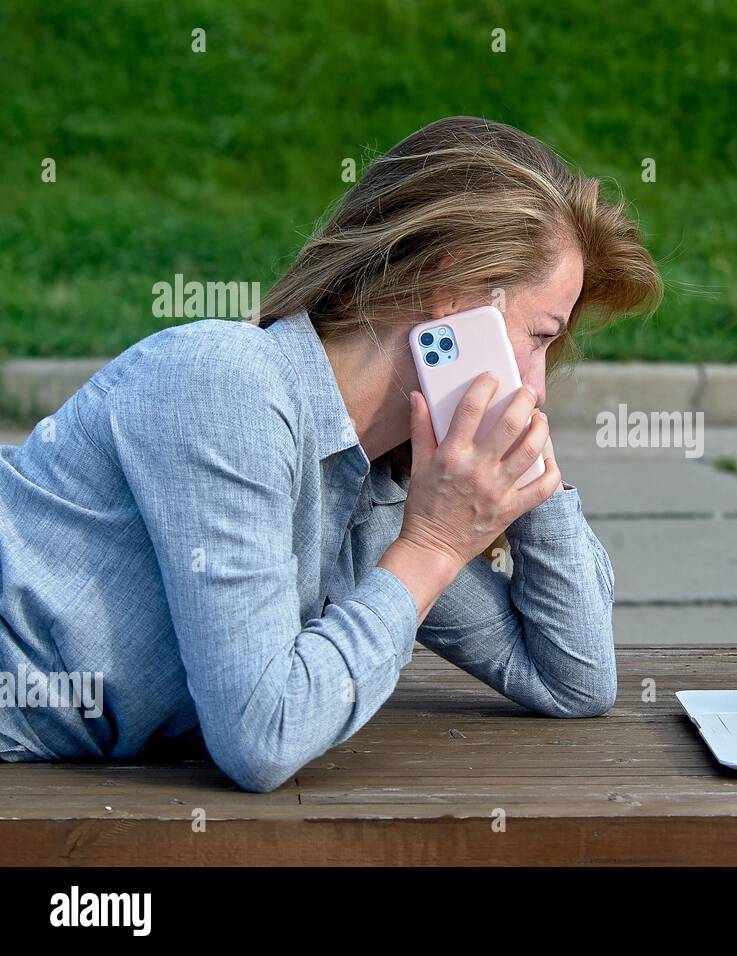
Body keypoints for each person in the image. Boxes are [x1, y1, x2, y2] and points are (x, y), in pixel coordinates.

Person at [0, 116, 662, 792]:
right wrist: (432, 546)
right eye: (539, 336)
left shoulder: (376, 491)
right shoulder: (226, 385)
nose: (538, 385)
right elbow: (262, 736)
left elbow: (575, 677)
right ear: (453, 289)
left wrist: (530, 475)